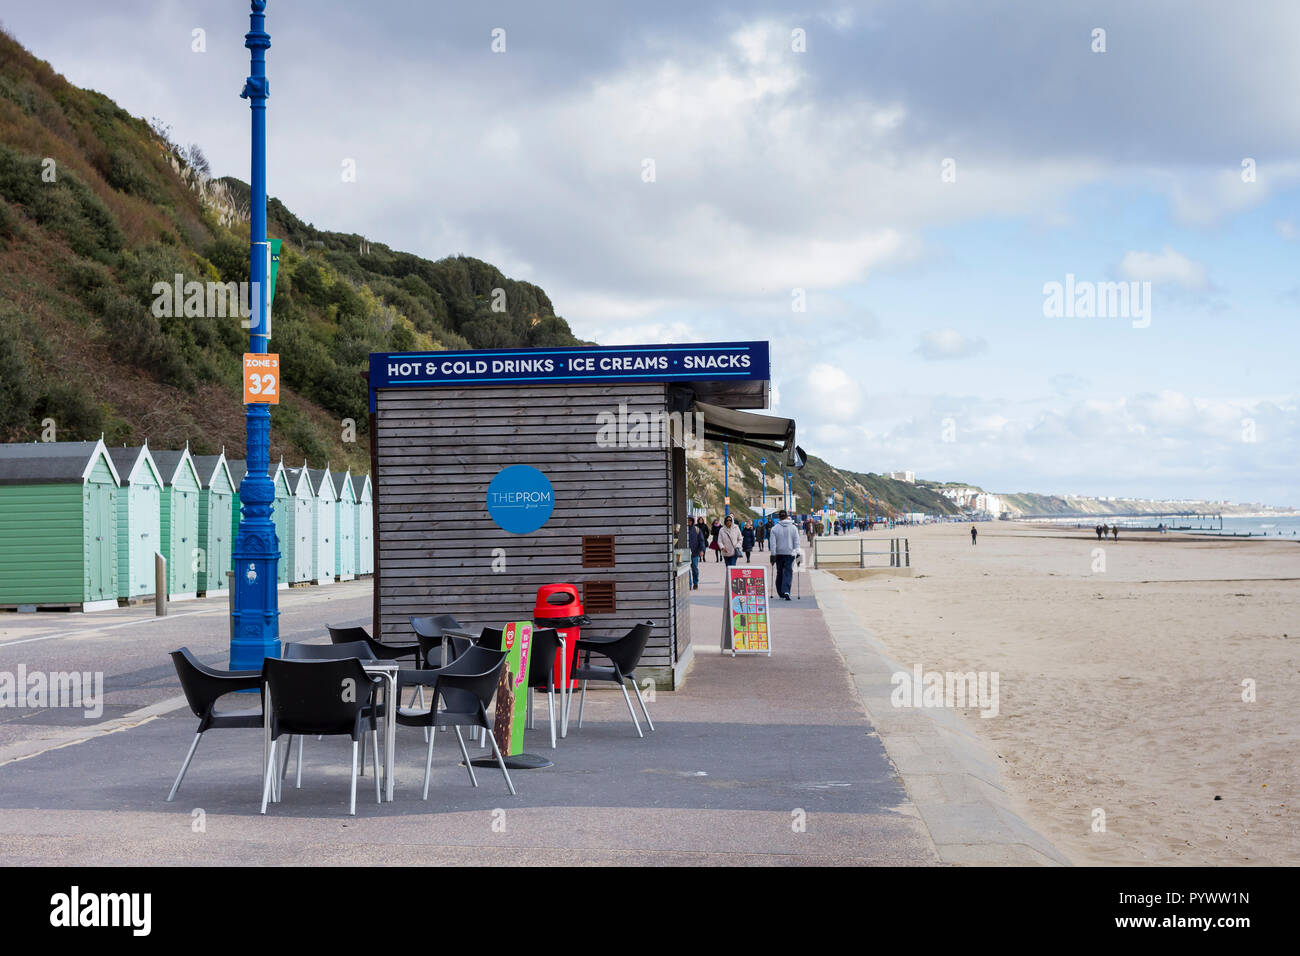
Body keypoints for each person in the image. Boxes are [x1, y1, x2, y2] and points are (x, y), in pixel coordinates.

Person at [769, 509, 799, 600]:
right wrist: (797, 552)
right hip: (790, 553)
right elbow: (796, 541)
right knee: (788, 572)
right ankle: (786, 590)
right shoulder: (794, 528)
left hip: (778, 554)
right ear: (786, 516)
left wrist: (773, 555)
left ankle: (780, 592)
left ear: (779, 517)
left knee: (779, 572)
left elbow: (773, 544)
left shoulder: (774, 528)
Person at [688, 517, 708, 590]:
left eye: (690, 521)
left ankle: (695, 582)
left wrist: (702, 550)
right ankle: (689, 584)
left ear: (692, 521)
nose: (688, 522)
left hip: (695, 553)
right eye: (687, 520)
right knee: (687, 570)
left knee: (694, 569)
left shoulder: (697, 529)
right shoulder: (683, 529)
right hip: (685, 553)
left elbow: (701, 541)